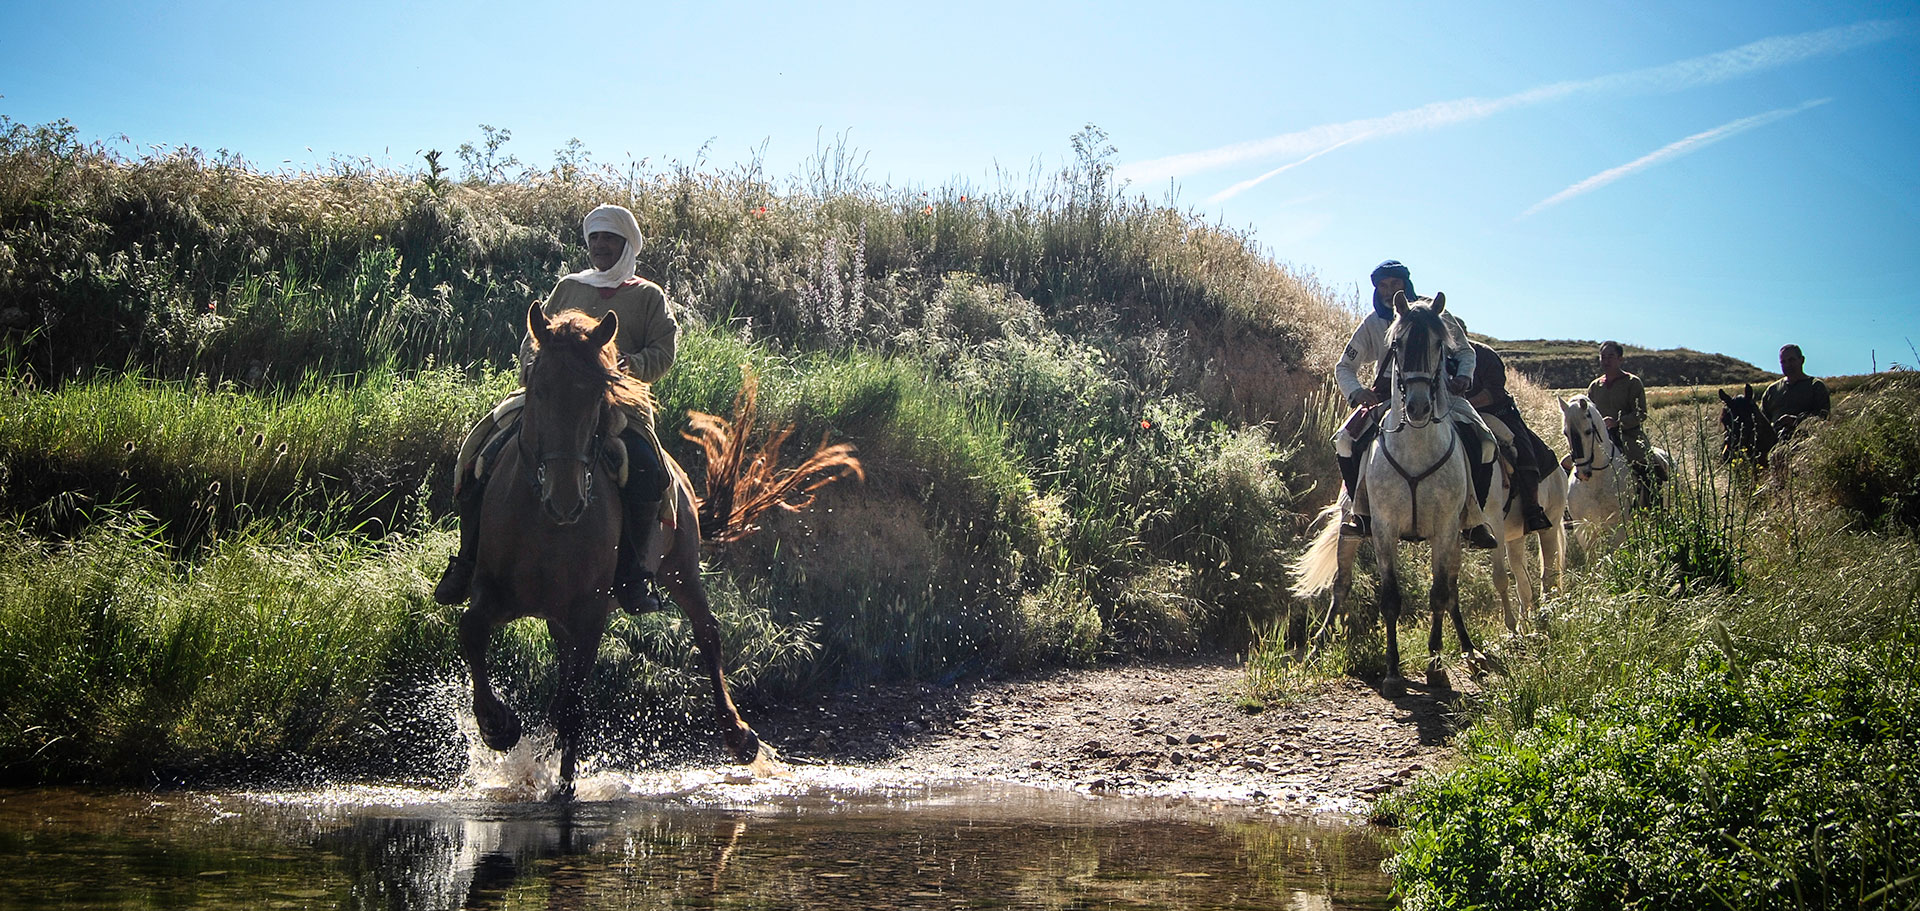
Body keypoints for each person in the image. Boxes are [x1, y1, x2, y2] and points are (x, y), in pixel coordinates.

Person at [435, 203, 678, 613]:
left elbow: (664, 352)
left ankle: (633, 575)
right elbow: (535, 338)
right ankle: (469, 561)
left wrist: (623, 365)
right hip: (555, 394)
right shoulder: (569, 286)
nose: (600, 245)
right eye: (595, 237)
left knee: (645, 468)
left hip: (617, 398)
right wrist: (533, 366)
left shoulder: (648, 295)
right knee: (482, 451)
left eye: (610, 238)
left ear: (627, 243)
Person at [1332, 260, 1500, 549]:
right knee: (1345, 442)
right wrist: (1358, 393)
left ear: (1405, 285)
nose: (1388, 291)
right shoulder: (1372, 324)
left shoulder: (1436, 314)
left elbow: (1466, 353)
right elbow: (1344, 367)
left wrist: (1462, 376)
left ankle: (1474, 520)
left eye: (1394, 284)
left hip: (1441, 393)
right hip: (1386, 396)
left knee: (1485, 442)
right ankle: (1360, 515)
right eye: (1383, 286)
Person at [1463, 340, 1555, 532]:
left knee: (1521, 449)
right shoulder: (1441, 354)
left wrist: (1465, 404)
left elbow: (1493, 392)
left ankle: (1532, 509)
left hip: (1496, 412)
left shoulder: (1485, 355)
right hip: (1456, 414)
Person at [1583, 340, 1662, 501]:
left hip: (1629, 436)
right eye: (1603, 357)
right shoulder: (1594, 386)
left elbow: (1641, 413)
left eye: (1610, 356)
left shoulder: (1633, 382)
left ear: (1620, 359)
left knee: (1646, 466)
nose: (1606, 361)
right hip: (1598, 437)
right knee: (1571, 463)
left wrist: (1617, 422)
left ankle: (1652, 503)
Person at [1759, 344, 1831, 441]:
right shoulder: (1772, 390)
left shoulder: (1815, 386)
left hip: (1806, 444)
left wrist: (1797, 421)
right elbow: (1761, 422)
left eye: (1791, 360)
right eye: (1783, 362)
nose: (1788, 365)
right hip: (1775, 446)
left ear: (1801, 360)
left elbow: (1823, 417)